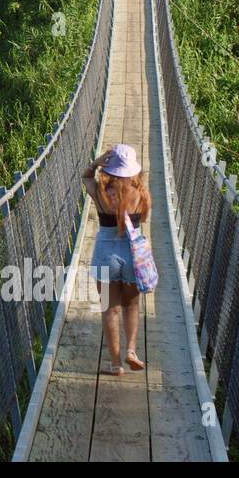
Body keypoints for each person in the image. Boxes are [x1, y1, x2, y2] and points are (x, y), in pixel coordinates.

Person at [82, 144, 152, 375]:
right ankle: (131, 350)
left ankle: (116, 364)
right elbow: (141, 217)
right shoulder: (141, 192)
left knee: (110, 310)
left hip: (106, 254)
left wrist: (96, 163)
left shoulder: (101, 192)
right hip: (133, 255)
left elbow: (86, 177)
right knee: (131, 306)